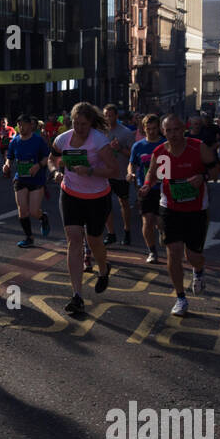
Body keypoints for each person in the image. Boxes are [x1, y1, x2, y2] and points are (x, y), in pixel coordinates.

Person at [139, 114, 219, 317]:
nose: (173, 134)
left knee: (193, 256)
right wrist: (148, 185)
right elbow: (153, 173)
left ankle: (198, 271)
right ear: (163, 132)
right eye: (168, 131)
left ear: (183, 129)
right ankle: (180, 297)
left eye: (176, 129)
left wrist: (203, 177)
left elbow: (216, 170)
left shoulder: (198, 147)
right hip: (169, 208)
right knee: (173, 252)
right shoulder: (161, 152)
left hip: (196, 209)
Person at [50, 102, 119, 317]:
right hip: (70, 194)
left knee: (94, 240)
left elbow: (114, 170)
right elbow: (52, 159)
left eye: (83, 124)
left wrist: (90, 170)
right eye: (75, 123)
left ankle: (103, 269)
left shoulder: (99, 141)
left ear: (90, 123)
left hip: (97, 198)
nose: (78, 127)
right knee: (74, 239)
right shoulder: (63, 139)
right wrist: (55, 172)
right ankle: (77, 295)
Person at [3, 113, 50, 247]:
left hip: (36, 179)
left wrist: (38, 165)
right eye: (19, 125)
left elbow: (48, 158)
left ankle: (43, 217)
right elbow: (10, 157)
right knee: (23, 211)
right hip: (21, 179)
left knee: (34, 211)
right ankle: (29, 237)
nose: (21, 128)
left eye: (23, 125)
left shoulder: (38, 140)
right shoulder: (15, 141)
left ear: (30, 126)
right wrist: (6, 165)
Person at [129, 114, 166, 264]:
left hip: (163, 188)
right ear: (144, 129)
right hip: (145, 188)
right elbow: (132, 163)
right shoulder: (138, 146)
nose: (151, 131)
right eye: (148, 129)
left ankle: (162, 230)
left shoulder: (165, 144)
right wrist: (130, 172)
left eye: (154, 128)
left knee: (160, 221)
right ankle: (152, 251)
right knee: (147, 221)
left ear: (159, 128)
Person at [102, 104, 136, 246]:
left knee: (124, 203)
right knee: (105, 205)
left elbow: (132, 155)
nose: (108, 118)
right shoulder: (100, 132)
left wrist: (119, 148)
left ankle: (127, 231)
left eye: (111, 115)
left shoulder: (126, 133)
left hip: (121, 173)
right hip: (105, 174)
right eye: (106, 115)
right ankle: (111, 233)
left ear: (116, 116)